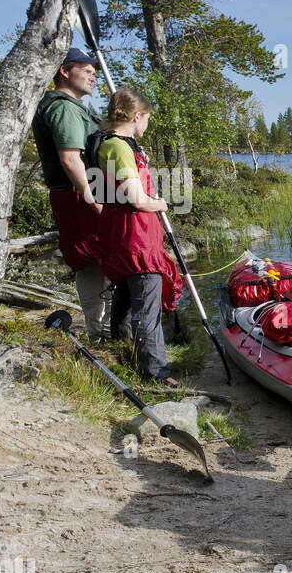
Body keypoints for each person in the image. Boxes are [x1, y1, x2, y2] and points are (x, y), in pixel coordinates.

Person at [92, 89, 183, 383]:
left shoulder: (105, 142)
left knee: (126, 295)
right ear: (136, 117)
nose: (147, 126)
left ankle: (122, 349)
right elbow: (135, 198)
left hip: (118, 231)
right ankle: (155, 372)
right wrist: (159, 203)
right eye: (146, 120)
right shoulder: (118, 147)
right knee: (147, 302)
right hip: (135, 234)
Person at [31, 47, 110, 338]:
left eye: (94, 72)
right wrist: (94, 199)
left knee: (94, 263)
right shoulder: (63, 107)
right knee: (106, 258)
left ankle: (101, 331)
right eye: (87, 71)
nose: (93, 77)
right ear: (65, 71)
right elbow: (70, 158)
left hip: (81, 193)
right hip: (80, 195)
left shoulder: (71, 106)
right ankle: (106, 331)